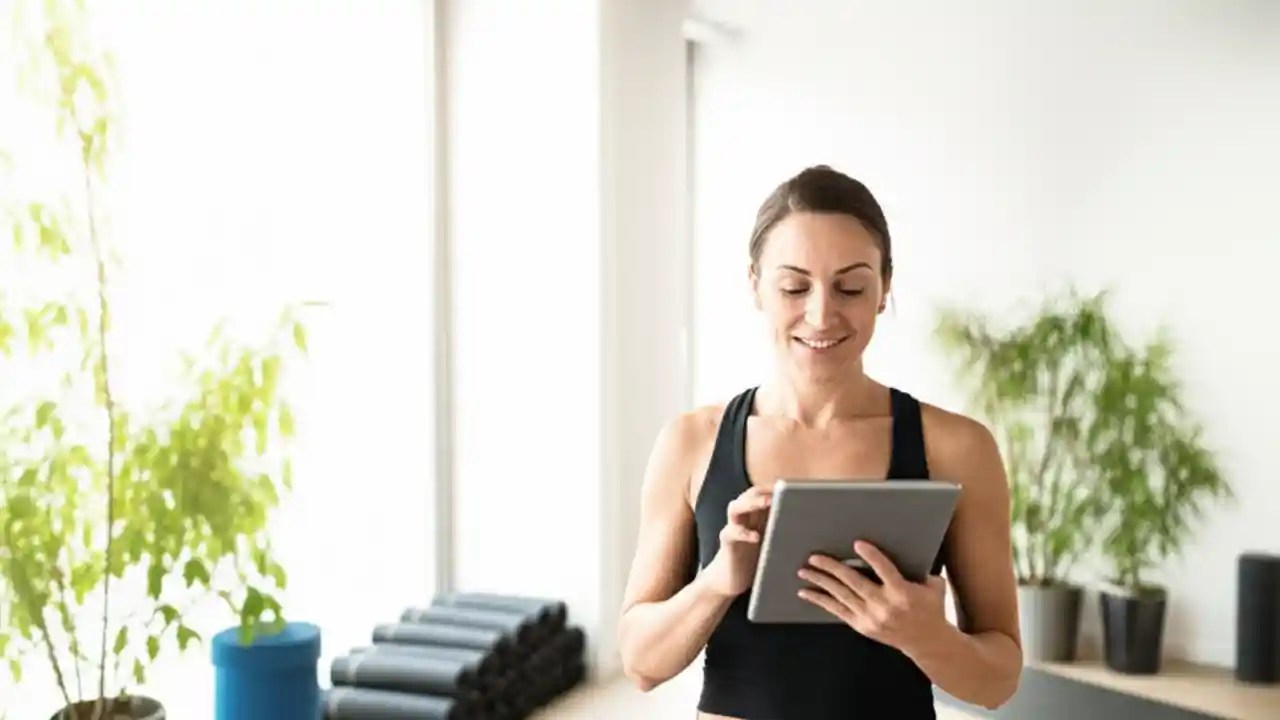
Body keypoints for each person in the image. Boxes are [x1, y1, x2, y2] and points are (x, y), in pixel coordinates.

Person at [616, 165, 1023, 719]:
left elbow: (996, 682)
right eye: (794, 286)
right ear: (755, 284)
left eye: (851, 287)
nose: (821, 313)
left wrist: (923, 635)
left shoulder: (958, 448)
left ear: (884, 289)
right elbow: (641, 664)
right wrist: (718, 583)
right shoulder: (691, 443)